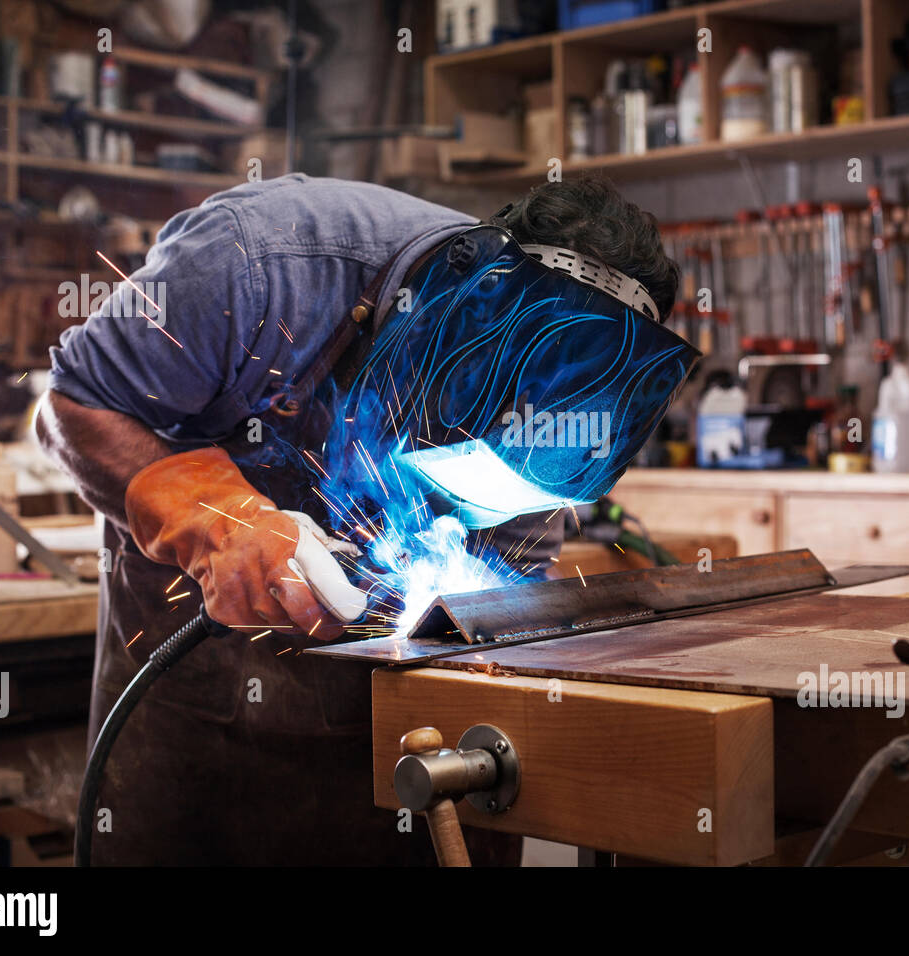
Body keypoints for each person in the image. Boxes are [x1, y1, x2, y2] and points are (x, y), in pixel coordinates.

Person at [36, 173, 685, 865]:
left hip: (407, 756)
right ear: (465, 303)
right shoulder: (261, 261)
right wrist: (222, 524)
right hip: (192, 718)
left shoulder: (561, 427)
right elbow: (76, 406)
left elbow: (506, 601)